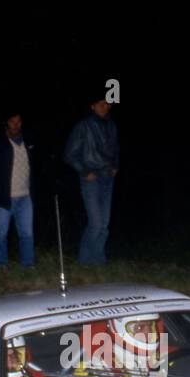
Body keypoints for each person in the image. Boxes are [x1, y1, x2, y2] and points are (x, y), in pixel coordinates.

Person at [63, 94, 119, 265]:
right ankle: (84, 260)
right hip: (91, 179)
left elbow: (116, 148)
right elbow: (69, 154)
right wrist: (84, 171)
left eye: (106, 103)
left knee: (104, 225)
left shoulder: (111, 125)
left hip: (107, 177)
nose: (104, 106)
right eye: (100, 103)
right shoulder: (84, 126)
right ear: (92, 106)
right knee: (95, 223)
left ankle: (98, 261)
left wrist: (115, 166)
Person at [0, 111, 36, 268]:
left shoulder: (28, 141)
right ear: (6, 123)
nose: (16, 125)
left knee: (27, 234)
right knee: (0, 234)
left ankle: (28, 264)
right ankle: (1, 264)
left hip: (25, 196)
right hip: (4, 198)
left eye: (18, 121)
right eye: (12, 121)